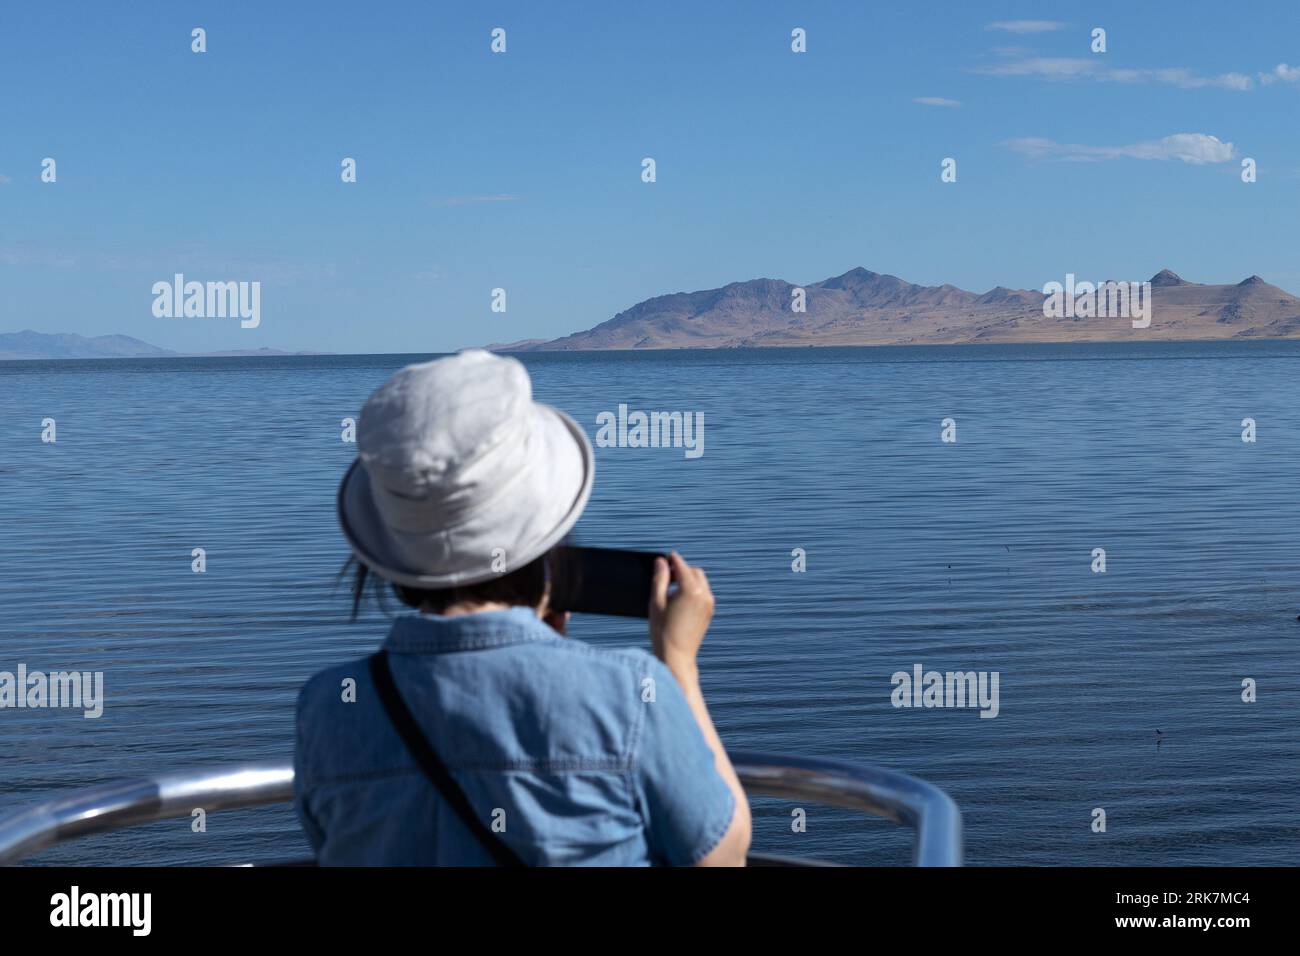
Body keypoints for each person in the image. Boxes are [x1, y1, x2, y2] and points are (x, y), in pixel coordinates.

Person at [293, 349, 751, 865]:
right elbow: (721, 854)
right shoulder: (628, 694)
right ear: (544, 537)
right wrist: (679, 662)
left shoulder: (328, 708)